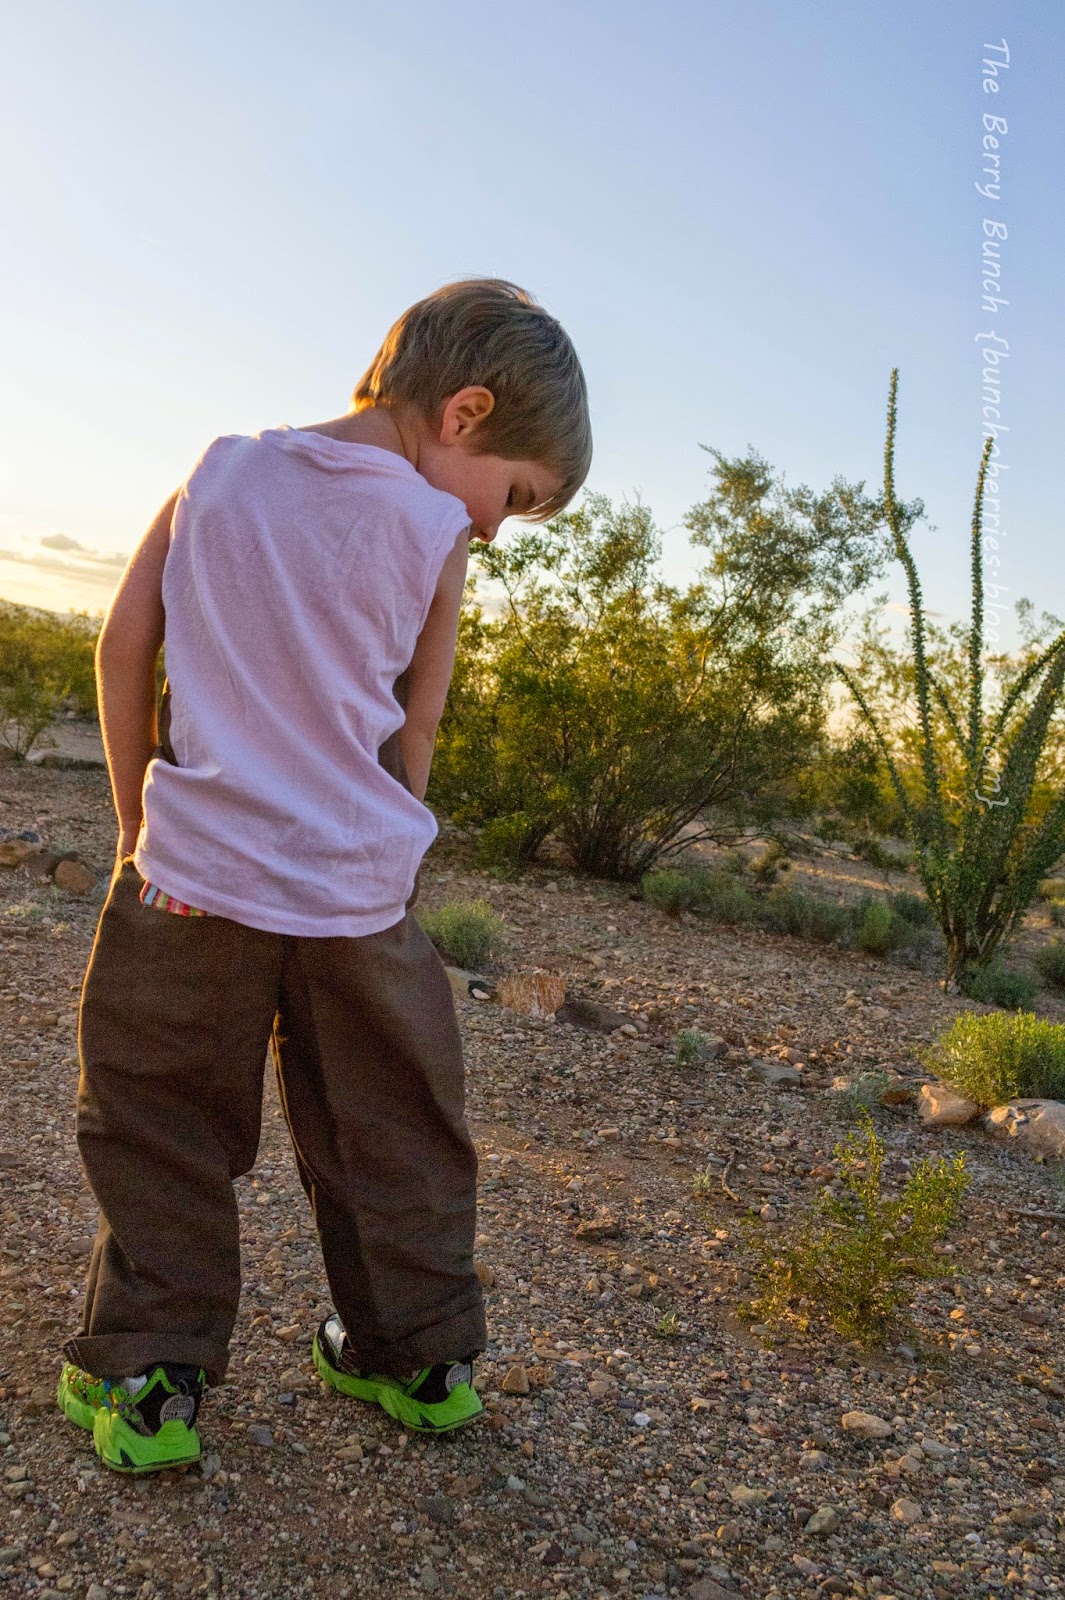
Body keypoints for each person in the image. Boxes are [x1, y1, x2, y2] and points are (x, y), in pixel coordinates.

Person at [57, 277, 592, 1473]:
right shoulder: (435, 533)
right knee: (391, 1122)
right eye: (517, 497)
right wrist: (378, 839)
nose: (499, 527)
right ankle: (416, 1356)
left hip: (190, 877)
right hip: (356, 895)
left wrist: (140, 814)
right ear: (465, 411)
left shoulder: (224, 469)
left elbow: (124, 641)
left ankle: (150, 1373)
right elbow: (417, 727)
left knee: (162, 1119)